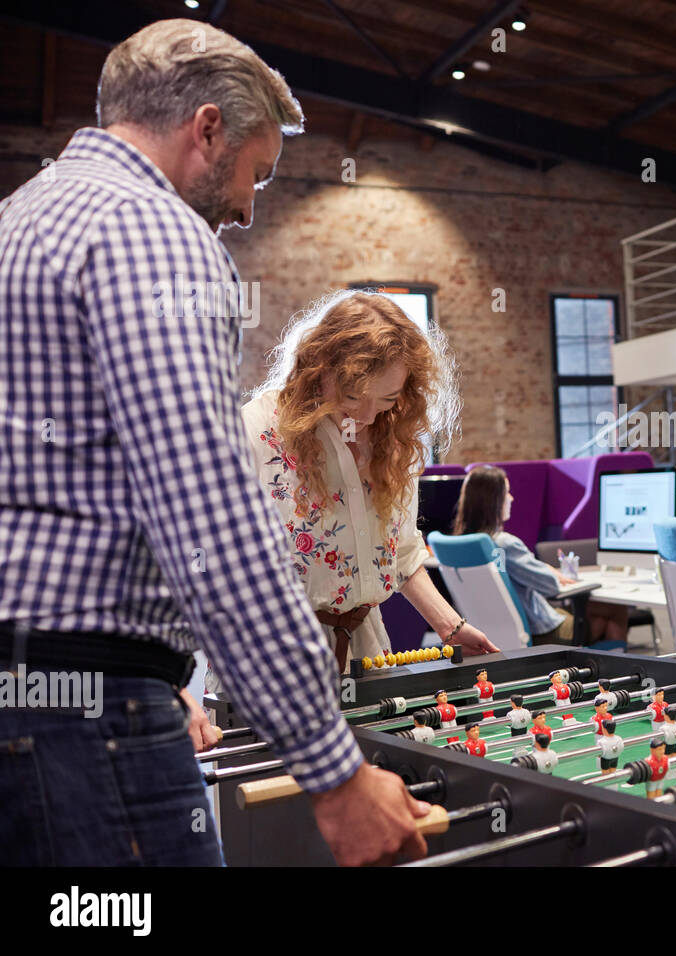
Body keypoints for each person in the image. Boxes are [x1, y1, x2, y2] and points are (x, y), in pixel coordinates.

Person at [0, 19, 428, 866]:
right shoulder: (152, 233)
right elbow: (211, 525)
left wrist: (167, 674)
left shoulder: (22, 217)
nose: (247, 205)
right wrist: (334, 770)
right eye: (255, 173)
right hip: (86, 707)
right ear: (206, 130)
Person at [234, 289, 497, 673]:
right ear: (318, 369)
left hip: (364, 650)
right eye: (354, 397)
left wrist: (449, 624)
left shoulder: (392, 438)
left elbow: (402, 553)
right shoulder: (255, 430)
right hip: (271, 654)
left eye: (387, 399)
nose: (369, 417)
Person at [453, 466, 629, 644]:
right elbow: (550, 586)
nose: (511, 498)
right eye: (507, 492)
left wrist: (544, 567)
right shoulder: (504, 544)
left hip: (497, 630)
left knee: (592, 612)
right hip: (540, 630)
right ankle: (613, 666)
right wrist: (551, 572)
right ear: (493, 501)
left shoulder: (468, 544)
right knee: (615, 611)